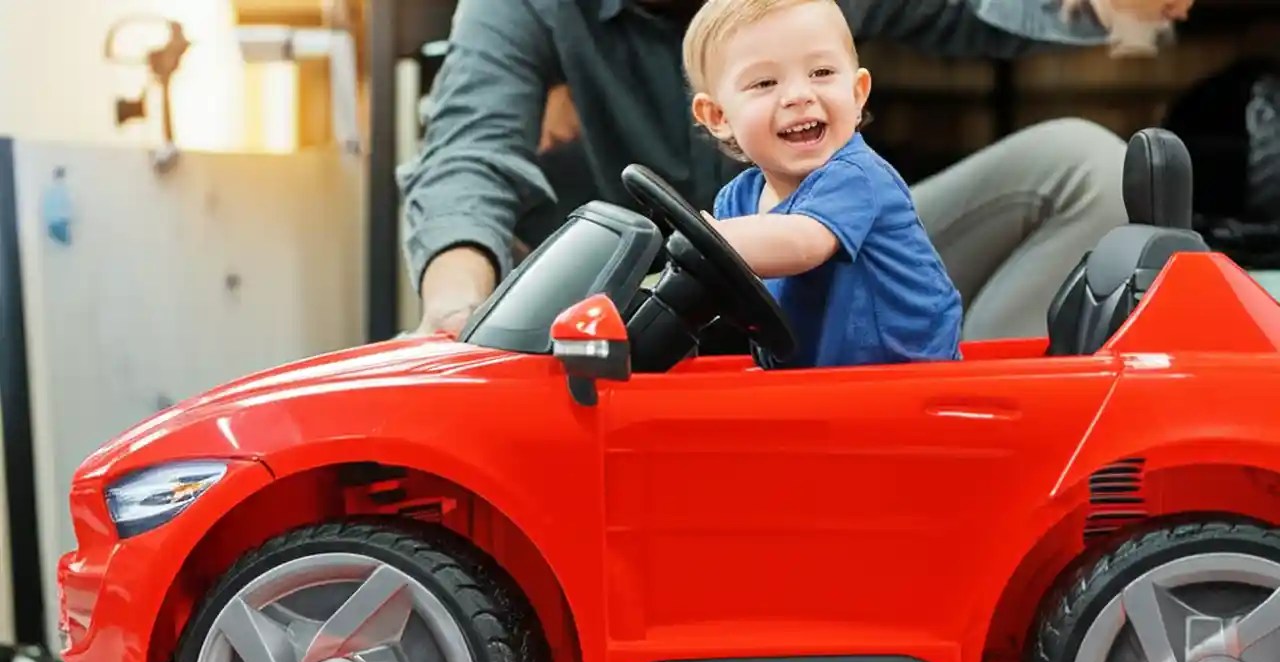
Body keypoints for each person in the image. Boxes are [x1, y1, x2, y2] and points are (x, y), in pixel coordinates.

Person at [397, 0, 1196, 341]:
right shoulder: (522, 11)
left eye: (816, 79)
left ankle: (960, 424)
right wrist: (458, 305)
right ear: (715, 112)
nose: (793, 102)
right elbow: (469, 155)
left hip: (829, 283)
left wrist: (1106, 5)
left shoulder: (845, 188)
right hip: (638, 321)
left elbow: (964, 7)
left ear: (856, 92)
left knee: (1086, 166)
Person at [687, 0, 962, 368]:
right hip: (816, 388)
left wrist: (703, 238)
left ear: (857, 92)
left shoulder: (856, 177)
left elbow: (803, 243)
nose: (799, 95)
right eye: (765, 82)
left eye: (820, 72)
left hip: (907, 384)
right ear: (718, 116)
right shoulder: (739, 199)